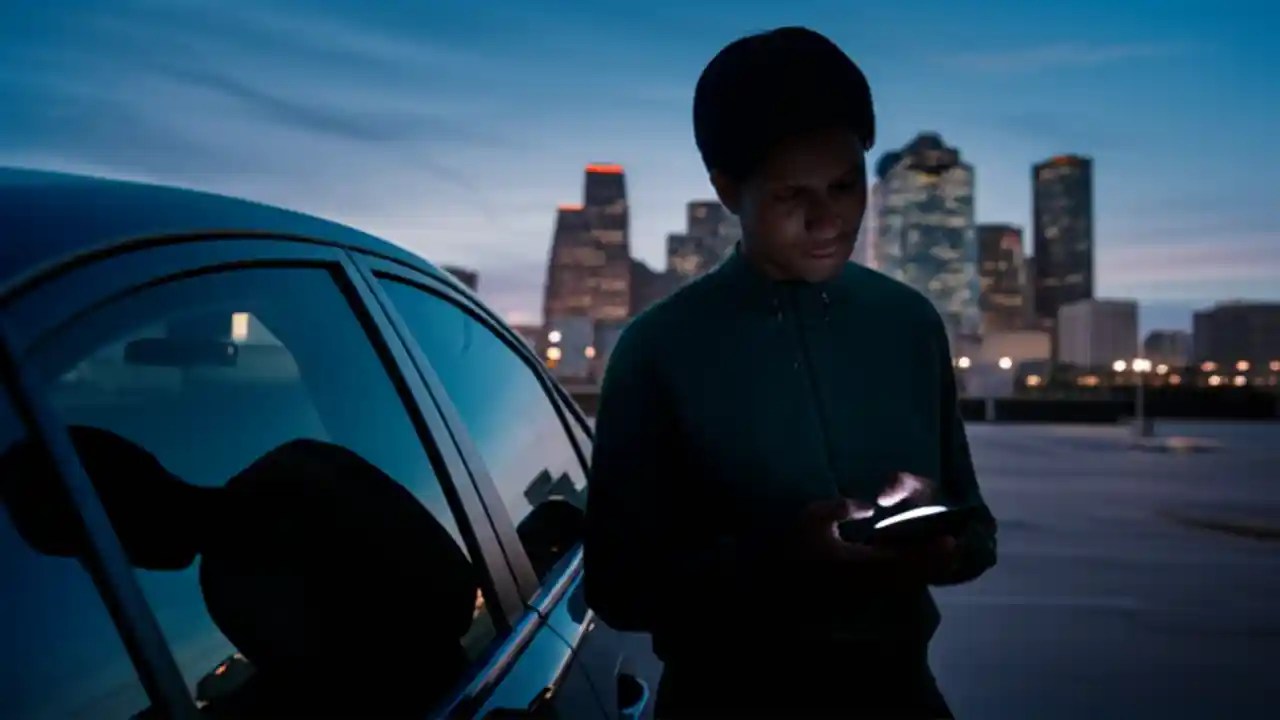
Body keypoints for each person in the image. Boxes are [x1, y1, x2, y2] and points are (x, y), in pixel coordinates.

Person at [584, 27, 998, 719]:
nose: (828, 219)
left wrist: (943, 547)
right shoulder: (659, 350)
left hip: (901, 699)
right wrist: (778, 561)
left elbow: (977, 525)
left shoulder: (909, 324)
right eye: (790, 196)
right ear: (726, 191)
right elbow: (619, 587)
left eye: (844, 185)